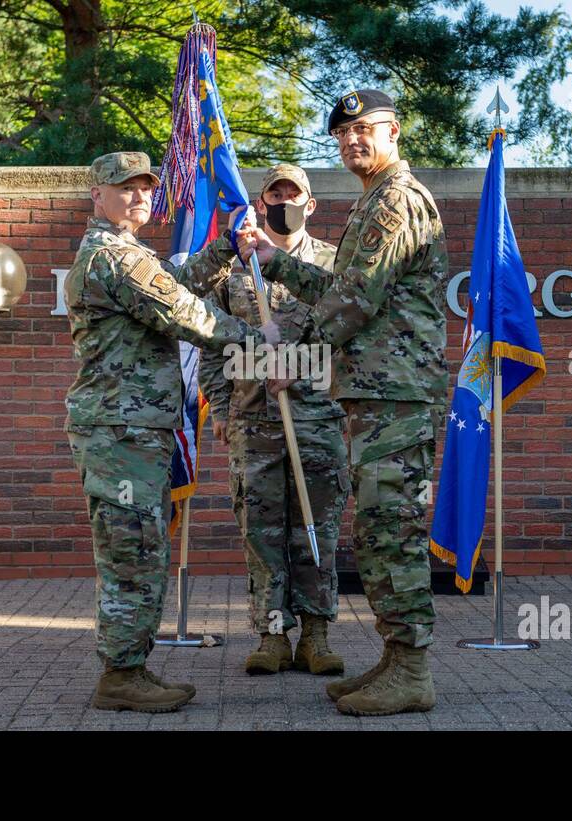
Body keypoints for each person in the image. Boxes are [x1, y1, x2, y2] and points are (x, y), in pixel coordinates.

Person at [236, 90, 449, 716]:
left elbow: (353, 304)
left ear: (394, 132)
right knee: (380, 530)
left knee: (391, 532)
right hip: (377, 394)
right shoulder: (375, 200)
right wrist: (275, 264)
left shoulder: (396, 201)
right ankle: (394, 658)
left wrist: (290, 351)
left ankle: (412, 668)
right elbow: (341, 286)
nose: (354, 140)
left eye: (366, 129)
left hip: (394, 396)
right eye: (344, 133)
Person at [65, 151, 278, 712]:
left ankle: (131, 665)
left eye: (145, 188)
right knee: (132, 555)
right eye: (125, 188)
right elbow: (185, 311)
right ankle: (119, 675)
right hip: (121, 432)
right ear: (97, 195)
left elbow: (177, 281)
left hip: (135, 429)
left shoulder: (129, 253)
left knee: (143, 550)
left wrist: (224, 250)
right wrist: (263, 343)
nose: (138, 197)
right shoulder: (112, 257)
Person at [198, 163, 349, 676]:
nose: (284, 200)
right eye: (274, 193)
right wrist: (219, 405)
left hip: (318, 418)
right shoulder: (239, 268)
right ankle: (272, 635)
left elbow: (349, 331)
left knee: (317, 526)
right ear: (260, 203)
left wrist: (304, 368)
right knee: (261, 531)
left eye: (294, 193)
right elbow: (210, 342)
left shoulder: (334, 263)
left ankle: (318, 635)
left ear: (311, 203)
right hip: (252, 419)